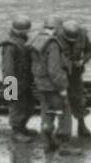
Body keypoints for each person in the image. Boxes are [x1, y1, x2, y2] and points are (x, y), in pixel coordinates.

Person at [29, 16, 71, 152]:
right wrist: (62, 87)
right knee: (63, 111)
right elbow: (54, 70)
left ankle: (47, 141)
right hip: (52, 85)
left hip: (40, 83)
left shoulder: (35, 39)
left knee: (46, 111)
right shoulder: (52, 44)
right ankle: (64, 145)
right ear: (57, 28)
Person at [0, 15, 35, 137]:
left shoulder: (21, 42)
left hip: (24, 80)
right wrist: (10, 89)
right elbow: (8, 68)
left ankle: (22, 128)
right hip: (14, 81)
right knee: (16, 107)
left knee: (26, 106)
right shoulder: (10, 46)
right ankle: (17, 131)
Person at [61, 20, 91, 139]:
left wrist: (83, 61)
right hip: (61, 73)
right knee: (62, 99)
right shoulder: (57, 37)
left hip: (76, 73)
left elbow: (90, 51)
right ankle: (63, 130)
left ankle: (81, 124)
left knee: (78, 98)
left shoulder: (82, 36)